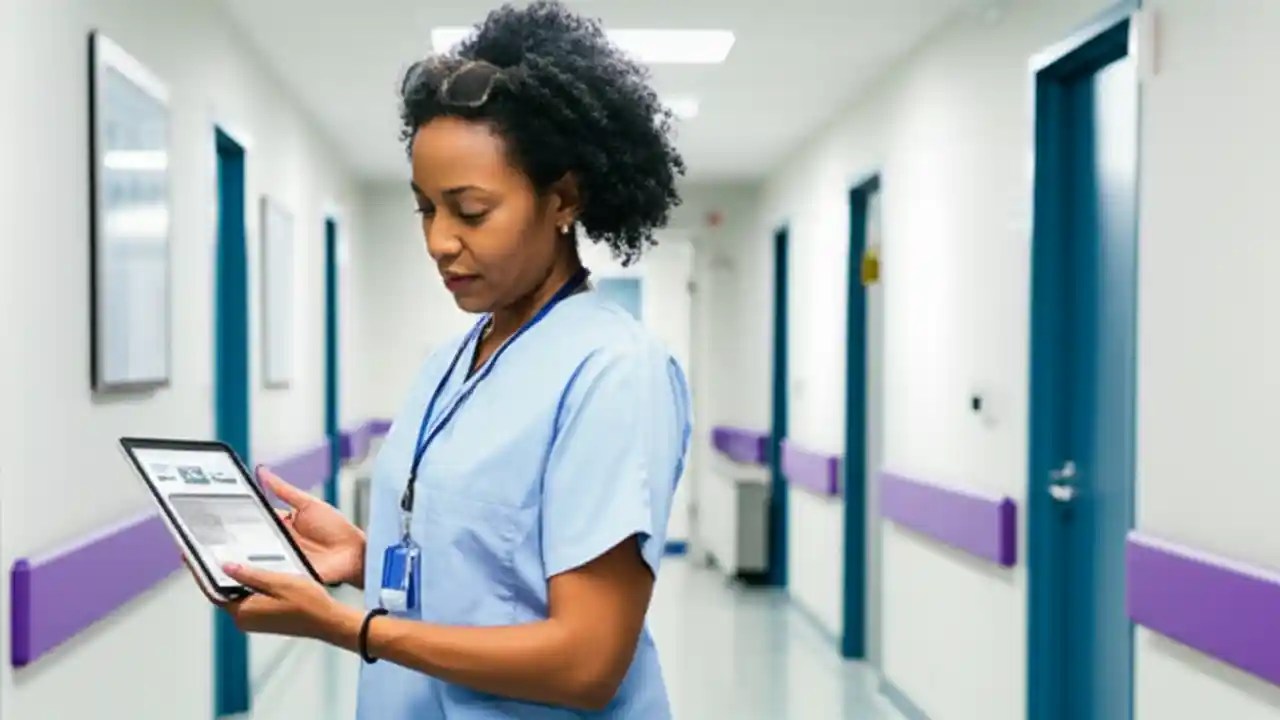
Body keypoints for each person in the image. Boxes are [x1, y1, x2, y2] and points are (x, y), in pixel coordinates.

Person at [206, 1, 692, 717]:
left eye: (469, 211)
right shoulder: (452, 360)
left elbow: (588, 661)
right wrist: (362, 557)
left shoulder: (613, 370)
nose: (438, 240)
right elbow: (491, 579)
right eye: (425, 209)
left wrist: (353, 628)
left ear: (562, 200)